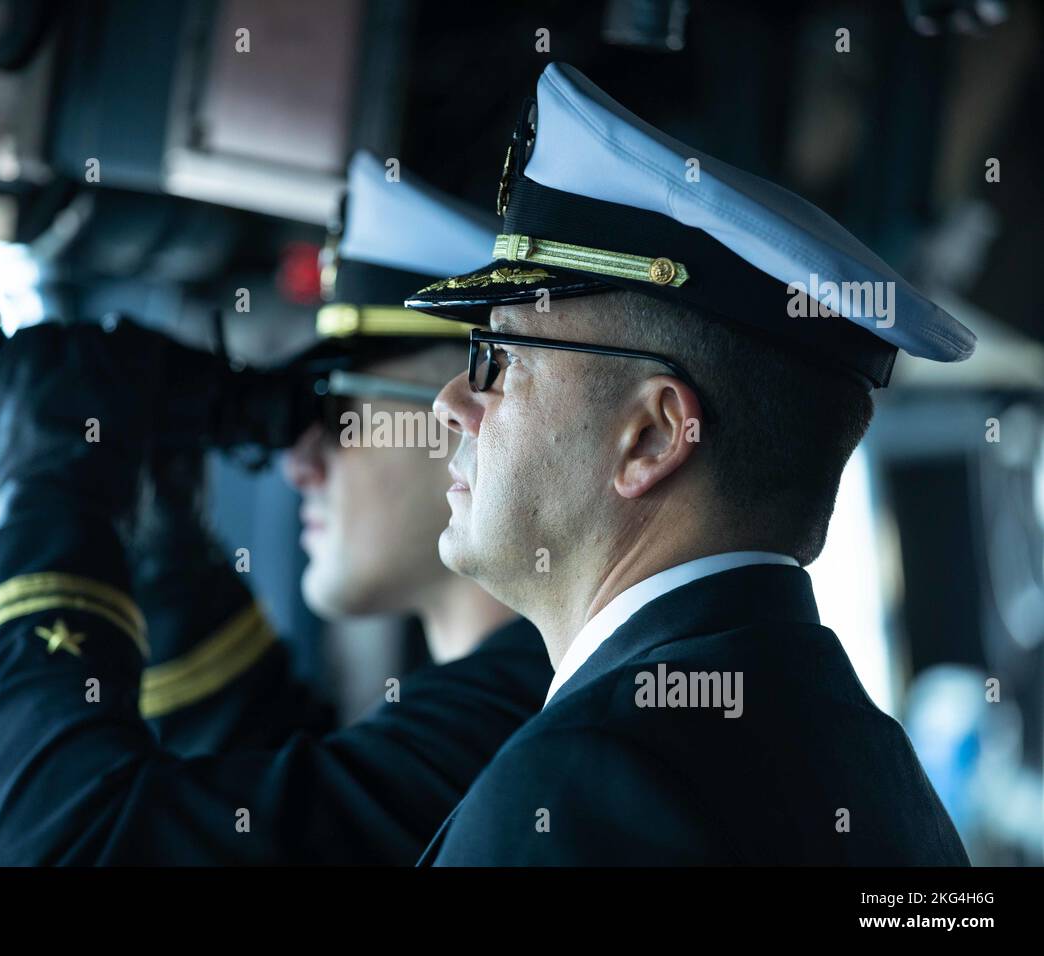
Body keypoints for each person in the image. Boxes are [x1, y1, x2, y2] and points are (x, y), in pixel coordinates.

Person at [403, 63, 973, 865]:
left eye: (501, 355)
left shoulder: (581, 784)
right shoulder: (879, 773)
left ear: (656, 435)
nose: (453, 402)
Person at [0, 152, 551, 865]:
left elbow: (78, 852)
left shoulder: (527, 721)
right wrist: (163, 544)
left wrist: (53, 494)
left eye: (334, 407)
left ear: (475, 410)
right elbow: (275, 806)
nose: (297, 464)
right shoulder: (508, 710)